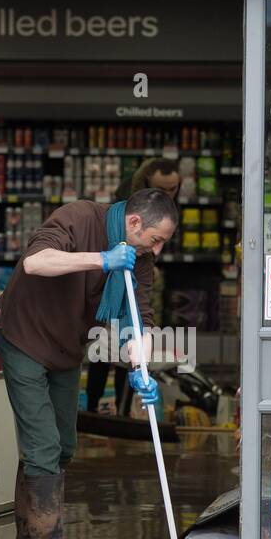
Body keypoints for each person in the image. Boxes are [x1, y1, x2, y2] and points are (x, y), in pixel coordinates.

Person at [0, 188, 179, 539]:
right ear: (133, 223)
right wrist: (102, 260)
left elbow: (138, 317)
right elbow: (35, 262)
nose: (157, 250)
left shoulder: (139, 258)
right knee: (43, 444)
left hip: (66, 348)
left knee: (62, 443)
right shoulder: (79, 218)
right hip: (24, 338)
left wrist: (140, 369)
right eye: (156, 239)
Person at [87, 157, 181, 413]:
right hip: (115, 274)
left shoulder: (170, 207)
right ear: (147, 181)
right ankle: (94, 407)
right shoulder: (129, 196)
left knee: (132, 341)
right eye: (163, 188)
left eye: (173, 188)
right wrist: (111, 261)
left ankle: (124, 407)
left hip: (144, 271)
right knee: (104, 348)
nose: (169, 193)